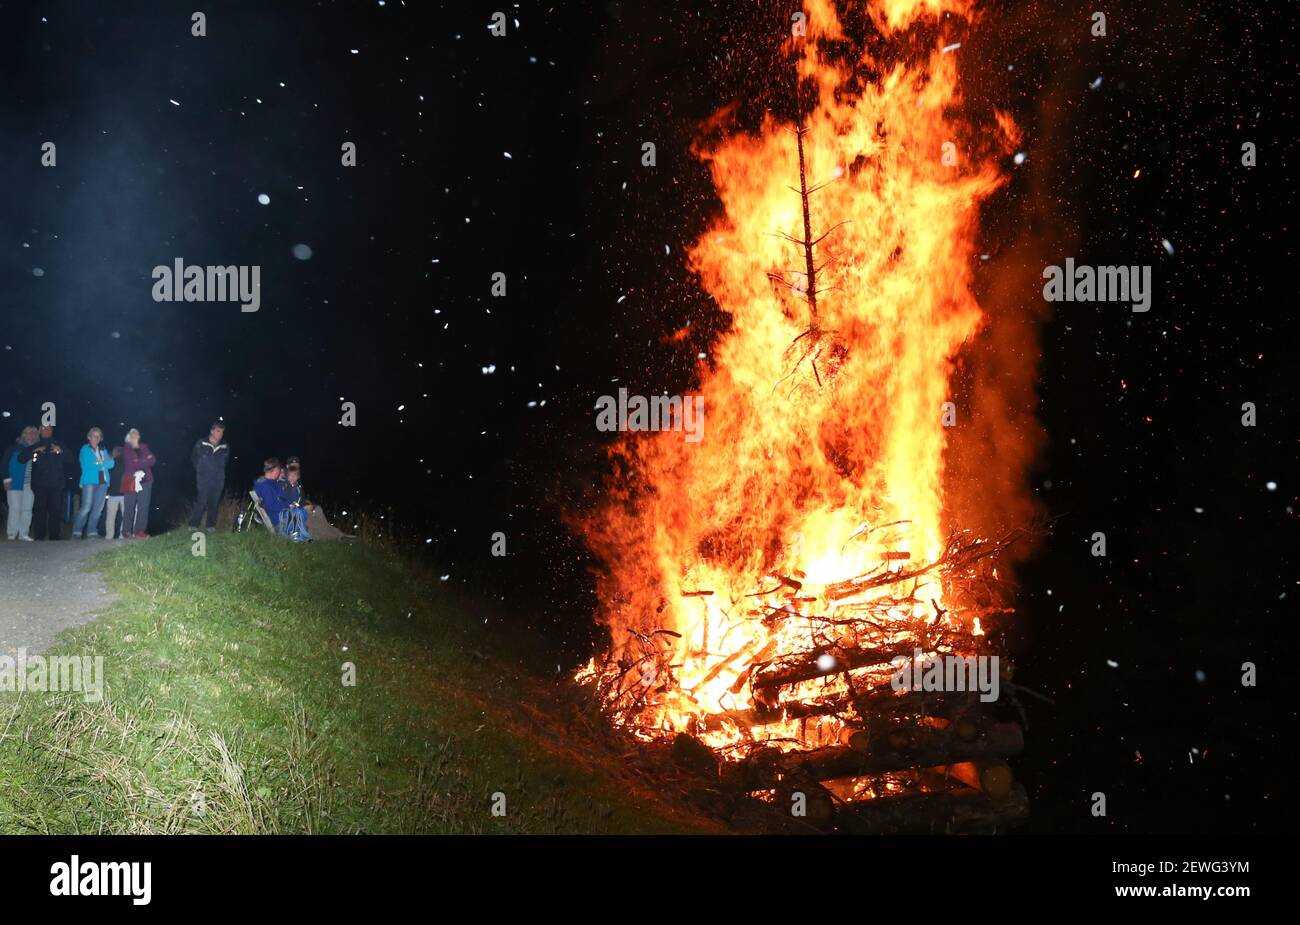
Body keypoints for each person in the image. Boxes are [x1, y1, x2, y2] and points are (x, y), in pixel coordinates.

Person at [282, 459, 350, 542]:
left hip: (300, 507)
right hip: (295, 512)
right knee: (315, 521)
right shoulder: (284, 483)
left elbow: (301, 498)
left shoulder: (297, 485)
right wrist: (303, 507)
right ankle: (337, 537)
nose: (295, 467)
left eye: (297, 466)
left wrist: (310, 504)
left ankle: (340, 534)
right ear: (287, 468)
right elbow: (289, 502)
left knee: (318, 510)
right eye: (293, 465)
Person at [21, 425, 67, 541]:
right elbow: (20, 458)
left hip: (56, 484)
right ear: (40, 432)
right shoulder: (35, 445)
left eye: (48, 429)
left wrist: (60, 452)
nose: (46, 431)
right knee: (39, 511)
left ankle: (54, 537)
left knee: (55, 511)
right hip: (39, 485)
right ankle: (39, 536)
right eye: (43, 429)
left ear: (52, 431)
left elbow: (71, 459)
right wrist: (34, 452)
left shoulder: (59, 444)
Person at [72, 428, 114, 539]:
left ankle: (92, 533)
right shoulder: (85, 449)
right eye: (93, 436)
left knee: (98, 508)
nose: (95, 438)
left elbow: (112, 463)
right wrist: (103, 463)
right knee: (86, 507)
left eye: (98, 436)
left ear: (100, 438)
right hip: (89, 481)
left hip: (102, 481)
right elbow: (88, 465)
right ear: (89, 437)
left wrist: (100, 463)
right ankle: (76, 532)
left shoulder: (103, 450)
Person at [254, 458, 309, 542]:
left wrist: (293, 504)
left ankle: (295, 535)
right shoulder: (265, 486)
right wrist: (288, 505)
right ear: (275, 470)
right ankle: (288, 535)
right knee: (300, 513)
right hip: (273, 515)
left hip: (279, 511)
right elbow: (270, 506)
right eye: (279, 470)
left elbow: (285, 497)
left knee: (302, 511)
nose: (281, 472)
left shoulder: (273, 483)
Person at [189, 422, 229, 531]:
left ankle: (210, 526)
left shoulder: (225, 446)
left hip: (218, 479)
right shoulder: (201, 443)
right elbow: (194, 458)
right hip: (203, 478)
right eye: (218, 431)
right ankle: (193, 524)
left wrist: (219, 473)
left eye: (222, 432)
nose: (220, 434)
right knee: (201, 500)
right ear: (212, 431)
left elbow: (225, 461)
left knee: (214, 502)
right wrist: (201, 471)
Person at [121, 428, 157, 539]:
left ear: (139, 436)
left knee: (144, 506)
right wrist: (145, 461)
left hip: (146, 480)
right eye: (132, 435)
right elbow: (132, 464)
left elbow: (153, 460)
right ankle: (126, 531)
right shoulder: (125, 449)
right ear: (128, 438)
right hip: (130, 479)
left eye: (137, 434)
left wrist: (141, 461)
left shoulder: (144, 447)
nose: (135, 436)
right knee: (129, 506)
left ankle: (139, 531)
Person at [4, 426, 37, 541]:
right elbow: (4, 464)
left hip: (30, 484)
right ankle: (12, 533)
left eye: (33, 433)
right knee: (14, 508)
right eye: (28, 433)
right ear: (23, 434)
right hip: (15, 482)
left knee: (27, 509)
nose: (31, 435)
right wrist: (6, 479)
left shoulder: (37, 449)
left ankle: (23, 533)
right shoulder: (14, 448)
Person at [101, 446, 126, 539]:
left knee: (111, 516)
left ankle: (109, 536)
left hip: (112, 493)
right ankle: (122, 535)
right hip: (125, 493)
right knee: (125, 516)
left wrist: (104, 489)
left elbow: (103, 476)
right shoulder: (126, 463)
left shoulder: (110, 463)